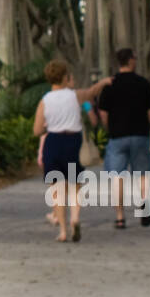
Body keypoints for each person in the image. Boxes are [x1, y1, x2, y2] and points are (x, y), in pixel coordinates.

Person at [34, 59, 112, 243]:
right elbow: (92, 93)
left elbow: (37, 130)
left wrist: (49, 127)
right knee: (75, 185)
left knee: (57, 190)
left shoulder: (44, 101)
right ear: (65, 77)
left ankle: (62, 231)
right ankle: (75, 218)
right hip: (72, 141)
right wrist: (104, 81)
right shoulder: (74, 95)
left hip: (53, 142)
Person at [97, 48, 150, 228]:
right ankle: (144, 205)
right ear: (131, 61)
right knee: (142, 174)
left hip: (117, 136)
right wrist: (146, 125)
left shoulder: (109, 85)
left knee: (117, 177)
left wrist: (111, 128)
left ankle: (120, 217)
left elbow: (103, 113)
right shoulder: (143, 83)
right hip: (140, 134)